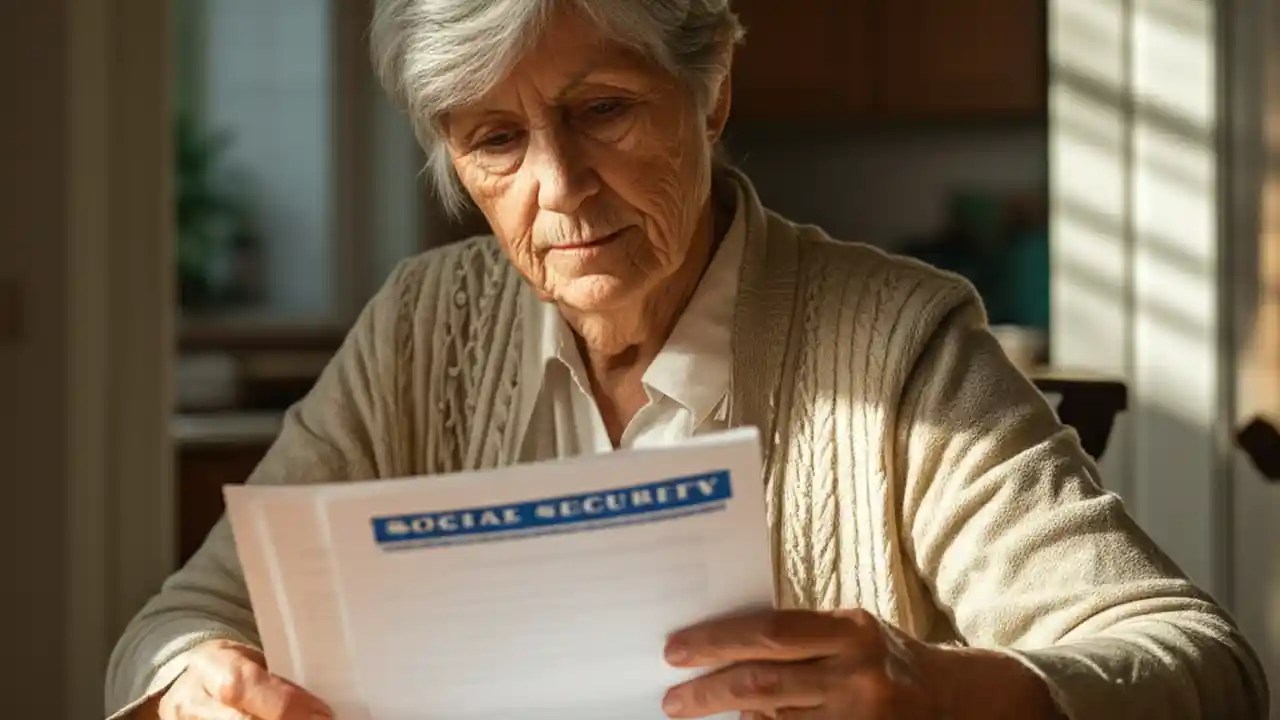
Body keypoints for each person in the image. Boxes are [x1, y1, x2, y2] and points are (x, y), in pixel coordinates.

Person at [107, 1, 1269, 718]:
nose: (558, 190)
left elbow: (1203, 669)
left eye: (602, 110)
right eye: (496, 141)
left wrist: (946, 694)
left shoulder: (896, 342)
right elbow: (181, 622)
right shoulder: (422, 326)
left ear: (710, 94)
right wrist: (198, 682)